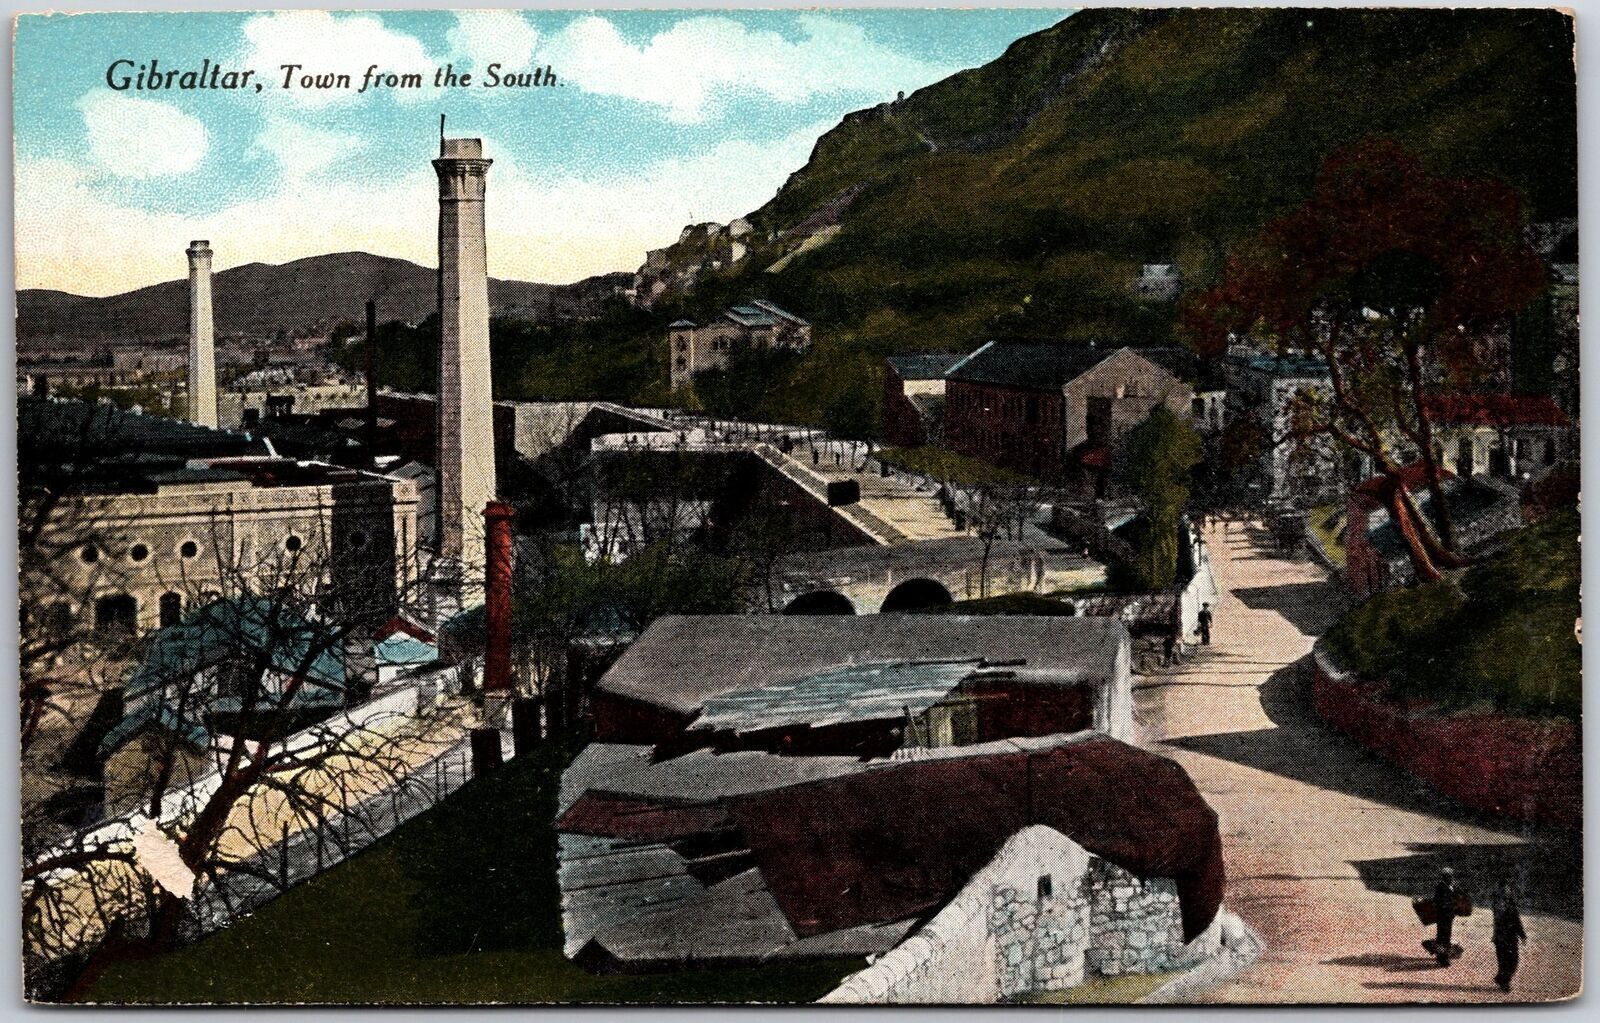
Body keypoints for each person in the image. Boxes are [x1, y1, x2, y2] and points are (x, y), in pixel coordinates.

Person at [1492, 879, 1527, 992]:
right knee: (1504, 962)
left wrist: (1522, 935)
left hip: (1512, 938)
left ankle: (1500, 978)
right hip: (1502, 938)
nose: (1508, 891)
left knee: (1514, 961)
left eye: (1508, 889)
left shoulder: (1511, 902)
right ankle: (1505, 983)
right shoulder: (1498, 904)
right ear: (1501, 891)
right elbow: (1499, 919)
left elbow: (1517, 920)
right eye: (1505, 889)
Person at [1433, 868, 1461, 967]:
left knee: (1444, 936)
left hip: (1448, 916)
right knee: (1443, 937)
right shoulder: (1441, 887)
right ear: (1445, 877)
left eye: (1451, 876)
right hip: (1443, 916)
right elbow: (1440, 903)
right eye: (1449, 876)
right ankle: (1442, 958)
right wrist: (1452, 905)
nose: (1451, 878)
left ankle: (1441, 956)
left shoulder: (1449, 886)